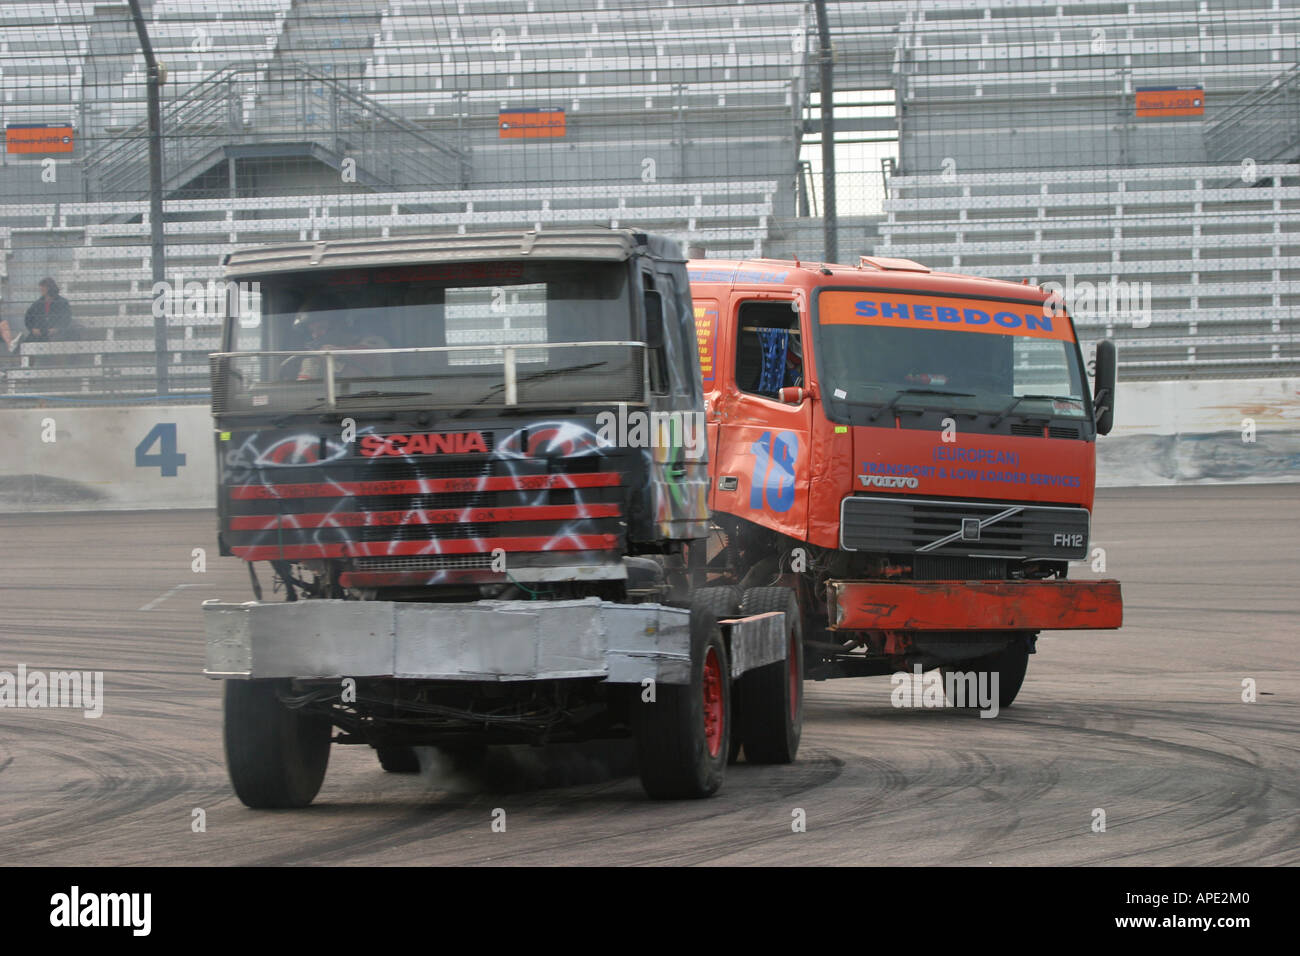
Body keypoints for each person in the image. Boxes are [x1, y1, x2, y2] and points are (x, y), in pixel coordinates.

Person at [1, 278, 71, 353]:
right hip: (40, 332)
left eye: (43, 289)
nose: (41, 291)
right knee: (25, 346)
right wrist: (33, 329)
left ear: (49, 288)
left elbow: (66, 319)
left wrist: (57, 329)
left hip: (58, 333)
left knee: (60, 343)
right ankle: (22, 357)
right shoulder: (38, 303)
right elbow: (28, 318)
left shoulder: (62, 303)